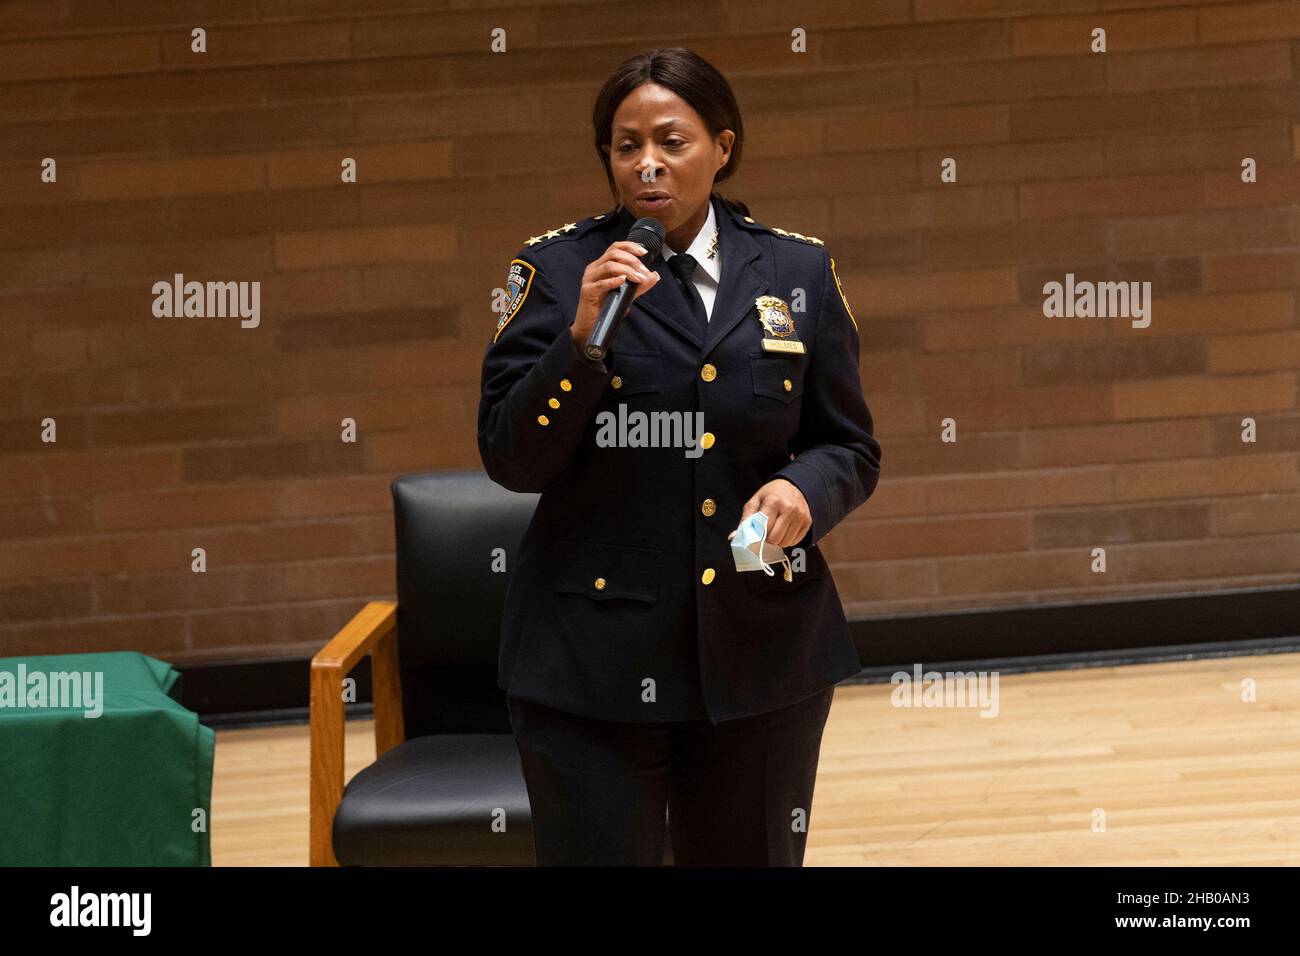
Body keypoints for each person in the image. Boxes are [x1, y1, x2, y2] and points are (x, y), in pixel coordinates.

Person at [476, 47, 882, 866]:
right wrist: (582, 341)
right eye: (626, 147)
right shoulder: (558, 271)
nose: (648, 165)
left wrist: (804, 489)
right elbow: (512, 457)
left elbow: (848, 444)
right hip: (590, 659)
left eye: (672, 141)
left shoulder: (797, 269)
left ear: (722, 147)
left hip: (760, 651)